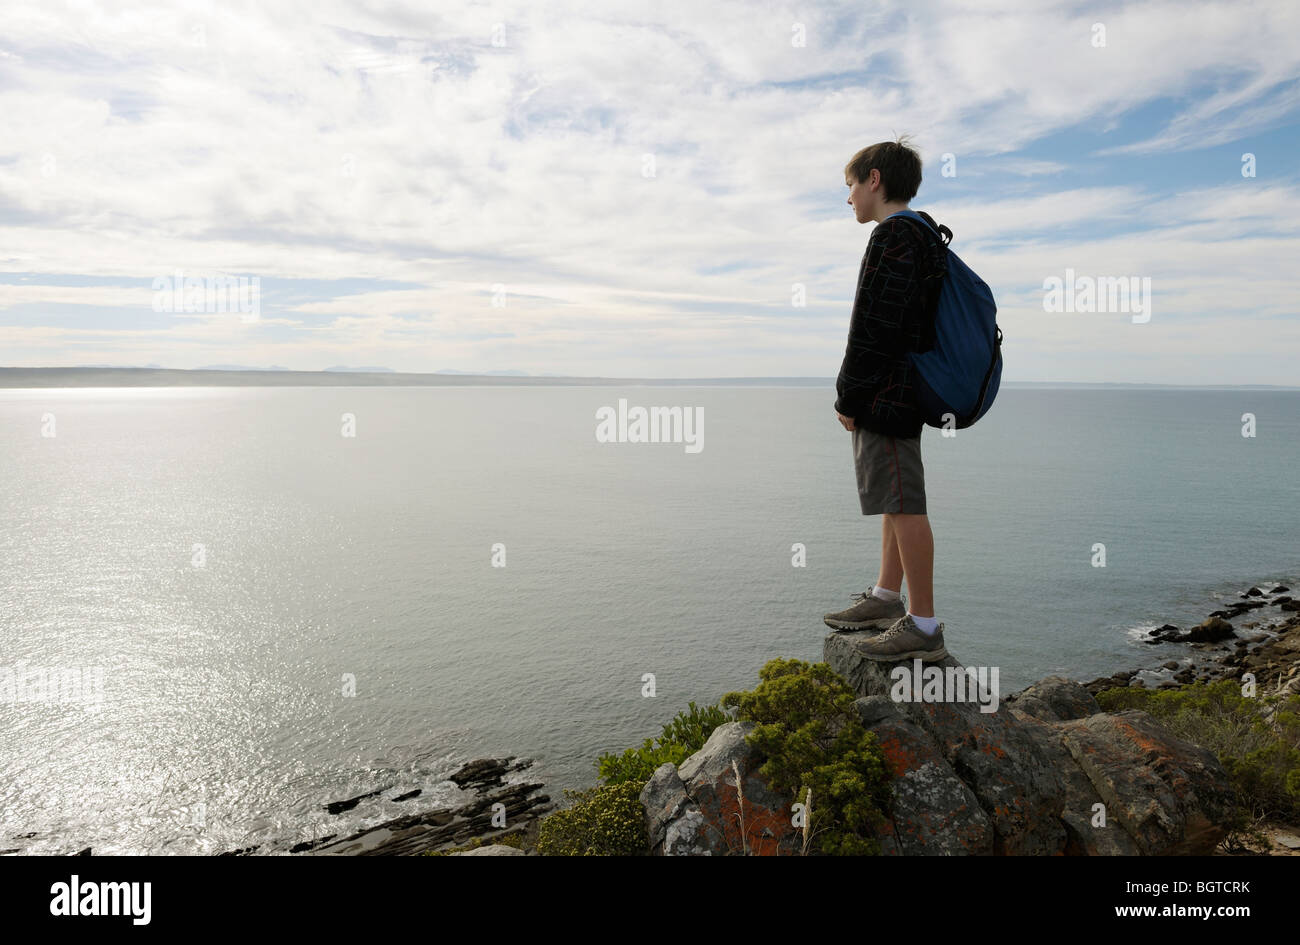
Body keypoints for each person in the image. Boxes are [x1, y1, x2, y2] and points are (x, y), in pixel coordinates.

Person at [823, 138, 950, 662]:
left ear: (874, 180)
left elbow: (874, 329)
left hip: (888, 394)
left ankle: (922, 625)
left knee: (904, 502)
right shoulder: (919, 234)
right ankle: (884, 596)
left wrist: (847, 395)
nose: (848, 197)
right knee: (892, 502)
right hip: (900, 391)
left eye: (851, 185)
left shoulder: (894, 237)